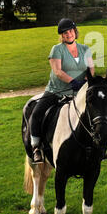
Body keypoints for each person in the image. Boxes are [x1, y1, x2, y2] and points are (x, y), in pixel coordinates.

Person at [30, 18, 94, 164]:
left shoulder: (85, 49)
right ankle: (36, 148)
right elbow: (57, 71)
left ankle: (98, 147)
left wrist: (85, 80)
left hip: (79, 92)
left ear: (75, 31)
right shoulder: (57, 49)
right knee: (36, 114)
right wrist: (73, 81)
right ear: (62, 35)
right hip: (57, 91)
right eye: (65, 33)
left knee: (96, 113)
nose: (68, 34)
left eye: (71, 31)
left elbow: (91, 68)